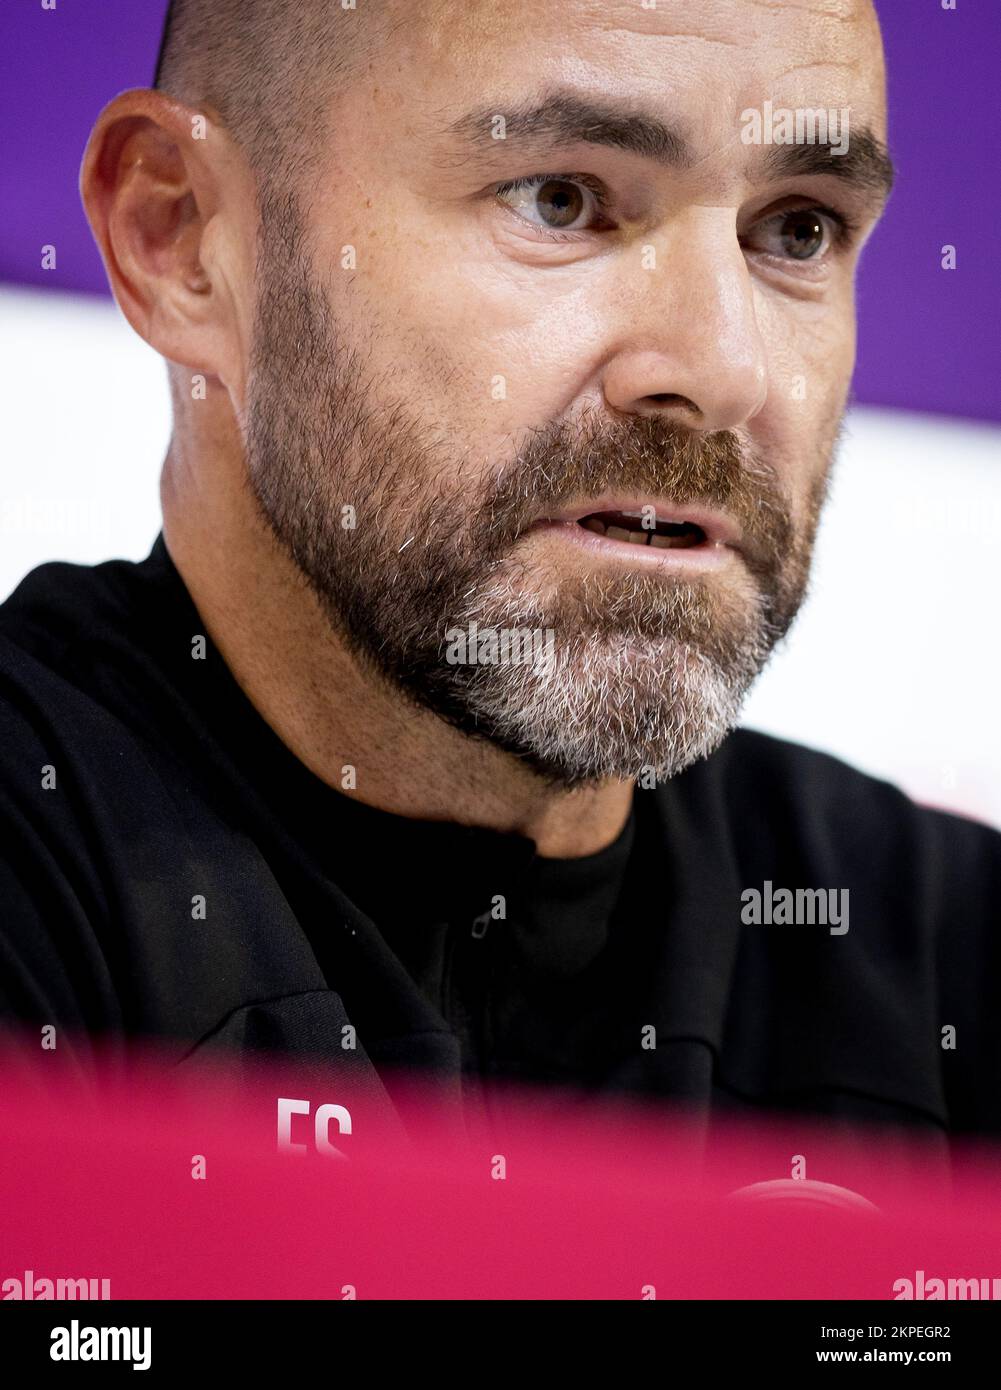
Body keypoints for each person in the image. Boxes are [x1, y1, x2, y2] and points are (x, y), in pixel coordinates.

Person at [1, 0, 997, 1147]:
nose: (725, 369)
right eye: (558, 200)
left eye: (797, 230)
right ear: (180, 238)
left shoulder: (950, 960)